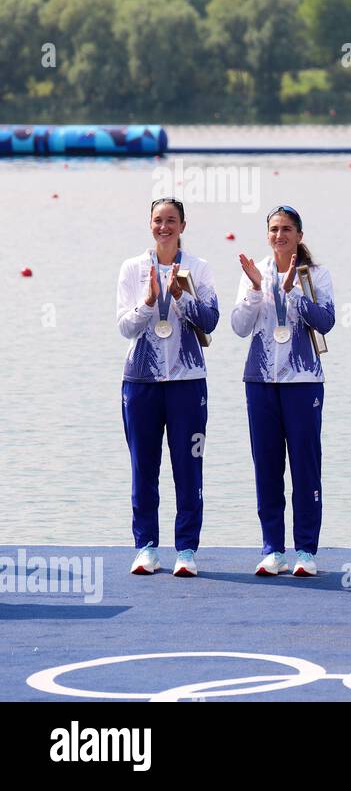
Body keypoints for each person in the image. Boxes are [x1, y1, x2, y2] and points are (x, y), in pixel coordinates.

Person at [117, 197, 220, 577]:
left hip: (187, 382)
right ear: (150, 225)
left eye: (171, 220)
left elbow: (210, 321)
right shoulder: (132, 268)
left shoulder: (199, 268)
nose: (165, 227)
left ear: (183, 225)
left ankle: (186, 550)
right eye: (159, 220)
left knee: (188, 468)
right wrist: (147, 303)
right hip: (140, 381)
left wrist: (180, 296)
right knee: (143, 468)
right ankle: (145, 547)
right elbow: (125, 327)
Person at [231, 206, 335, 578]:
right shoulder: (254, 273)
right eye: (274, 229)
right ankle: (272, 549)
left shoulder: (315, 274)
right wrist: (258, 290)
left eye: (287, 229)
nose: (280, 235)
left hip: (303, 381)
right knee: (267, 467)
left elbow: (326, 322)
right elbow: (239, 327)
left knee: (306, 468)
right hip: (260, 382)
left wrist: (292, 295)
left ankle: (306, 550)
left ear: (299, 235)